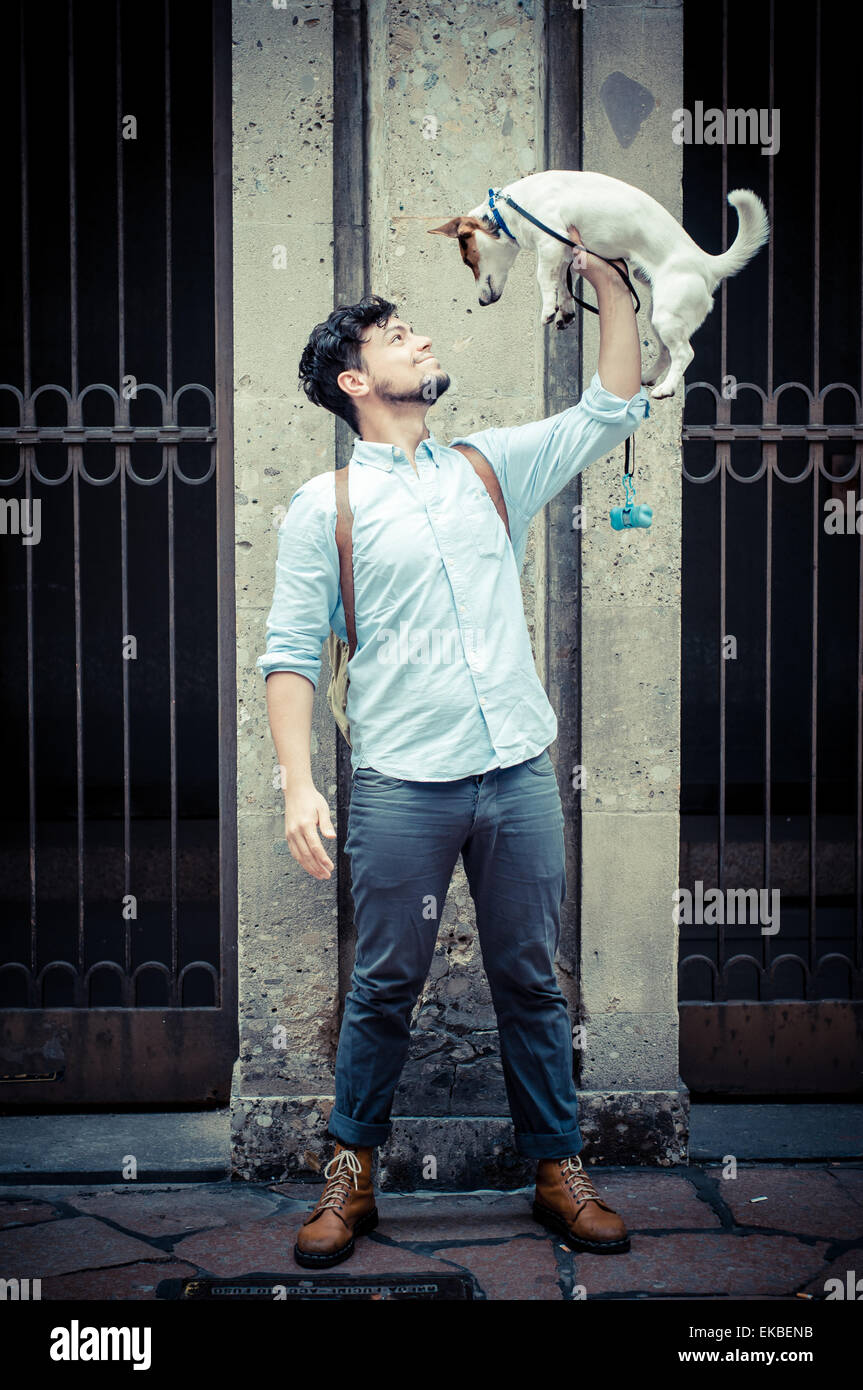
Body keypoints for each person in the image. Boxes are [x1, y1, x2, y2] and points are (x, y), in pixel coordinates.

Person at [256, 229, 649, 1268]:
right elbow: (289, 656)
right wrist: (298, 785)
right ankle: (350, 1175)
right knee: (385, 981)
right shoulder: (324, 508)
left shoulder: (488, 466)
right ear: (355, 379)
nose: (418, 335)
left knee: (531, 978)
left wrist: (607, 285)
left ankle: (556, 1167)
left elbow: (609, 408)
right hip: (398, 786)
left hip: (517, 772)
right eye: (394, 333)